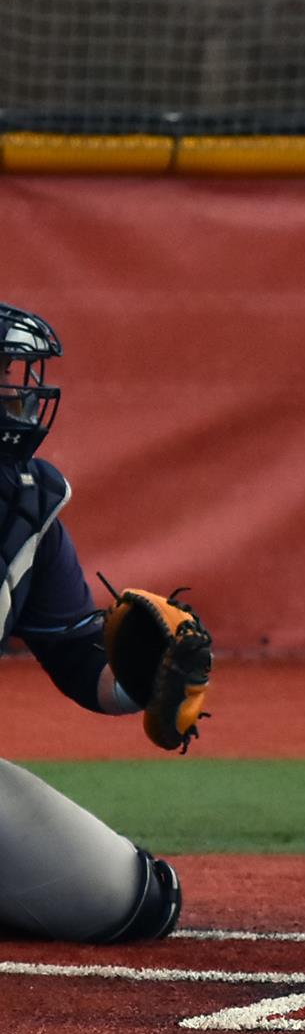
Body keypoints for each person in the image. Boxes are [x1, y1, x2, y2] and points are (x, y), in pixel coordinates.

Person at [0, 301, 192, 942]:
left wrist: (144, 677)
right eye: (4, 374)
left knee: (135, 901)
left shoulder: (26, 502)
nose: (20, 392)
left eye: (19, 376)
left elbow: (78, 656)